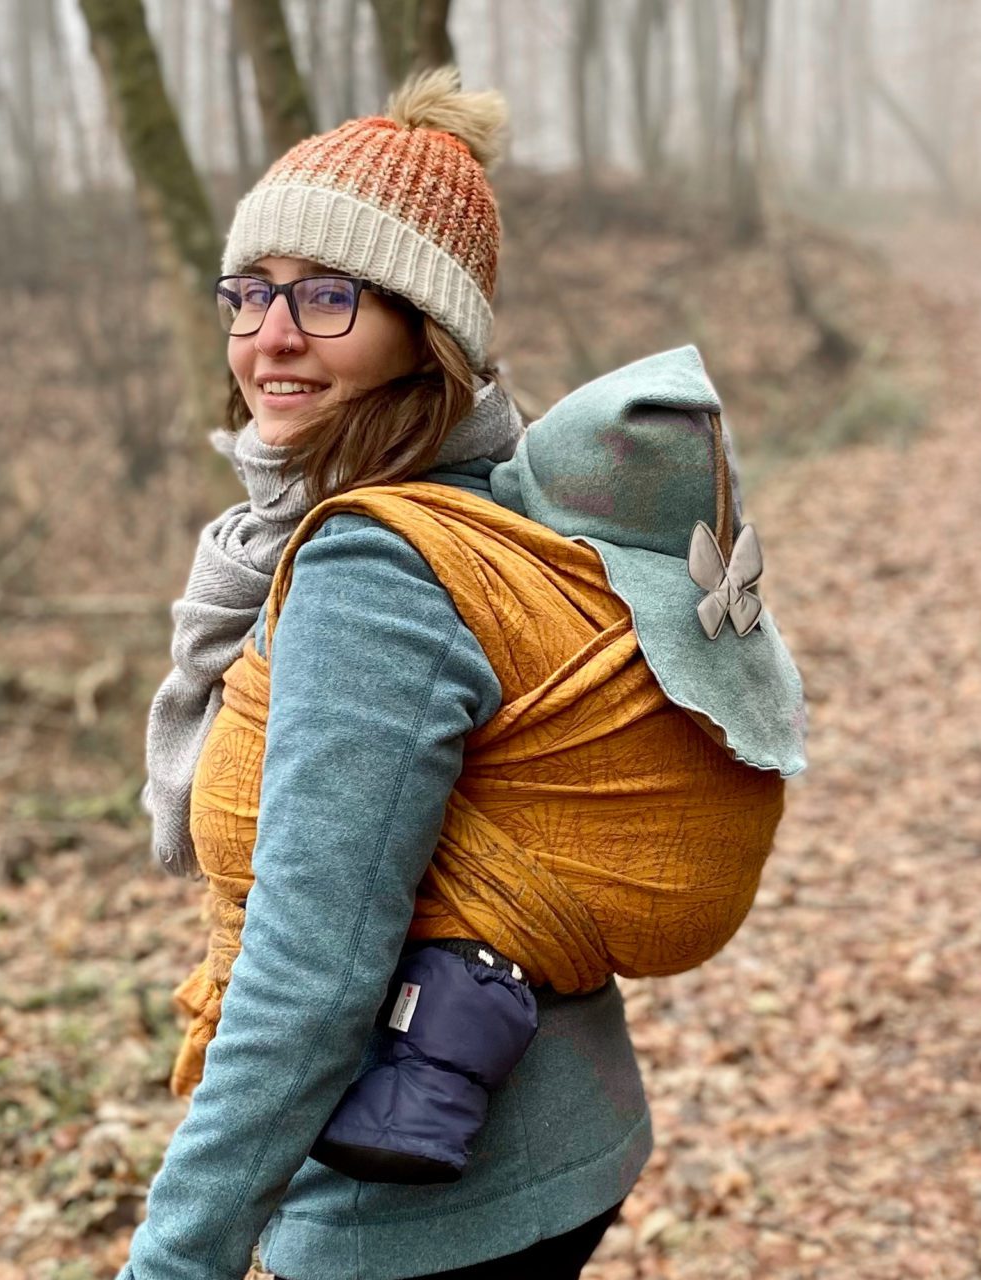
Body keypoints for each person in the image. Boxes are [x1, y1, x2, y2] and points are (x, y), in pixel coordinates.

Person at [125, 69, 805, 1280]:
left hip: (414, 1210)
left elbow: (307, 979)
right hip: (560, 1137)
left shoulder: (370, 570)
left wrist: (173, 1259)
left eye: (327, 296)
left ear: (422, 331)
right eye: (250, 294)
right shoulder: (481, 498)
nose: (270, 336)